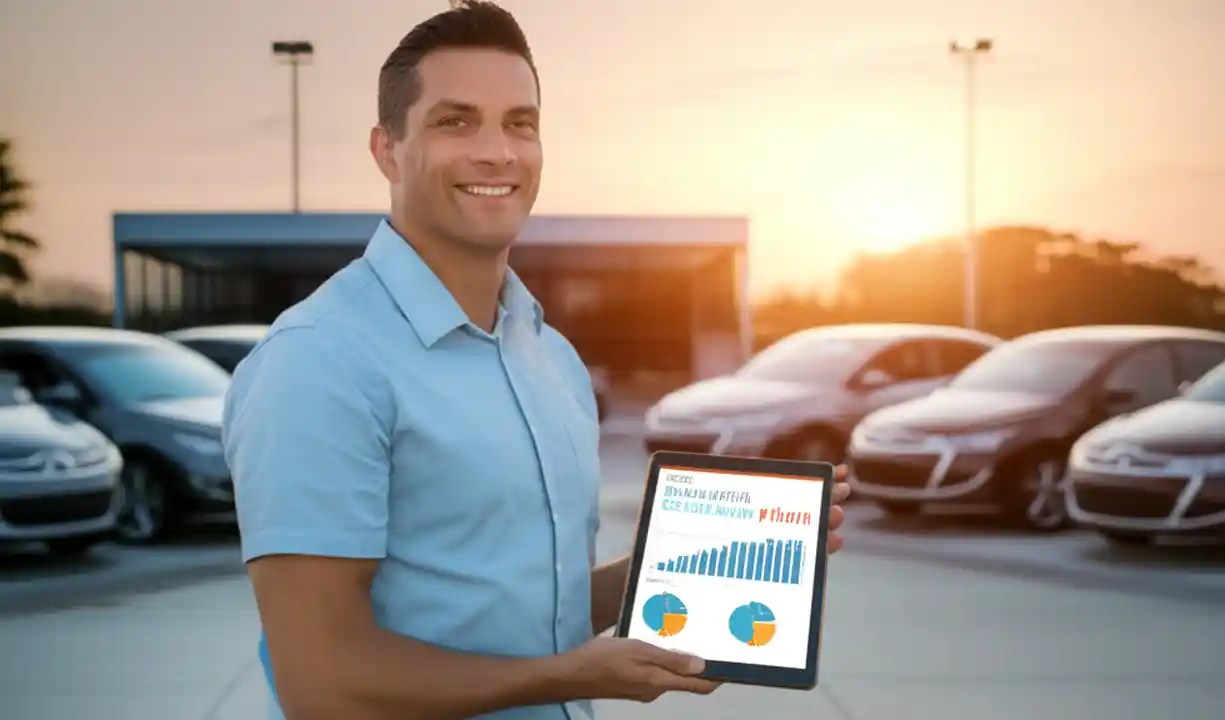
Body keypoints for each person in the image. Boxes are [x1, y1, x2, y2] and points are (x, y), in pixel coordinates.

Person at [222, 2, 852, 718]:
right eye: (455, 121)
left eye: (520, 123)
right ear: (387, 149)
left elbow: (527, 615)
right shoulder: (318, 362)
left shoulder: (550, 358)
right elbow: (322, 680)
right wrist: (572, 678)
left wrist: (731, 559)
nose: (498, 151)